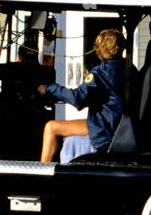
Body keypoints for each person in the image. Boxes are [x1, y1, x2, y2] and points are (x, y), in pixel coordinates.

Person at [37, 28, 126, 162]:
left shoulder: (100, 74)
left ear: (99, 49)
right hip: (118, 126)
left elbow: (77, 99)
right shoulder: (129, 69)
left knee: (51, 127)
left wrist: (49, 88)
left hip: (104, 130)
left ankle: (41, 174)